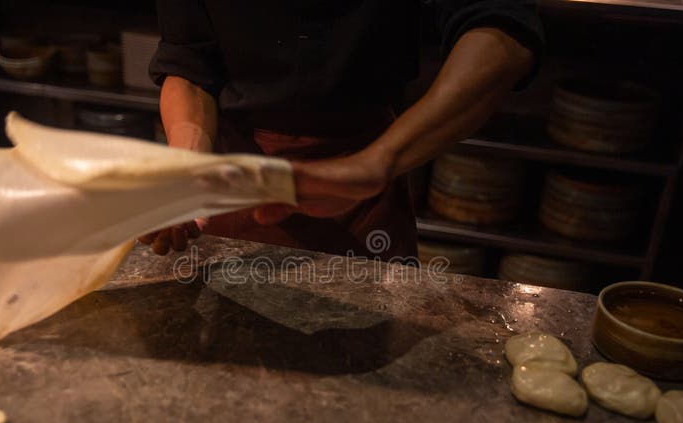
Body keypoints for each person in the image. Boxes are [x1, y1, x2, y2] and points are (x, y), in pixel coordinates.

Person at [141, 0, 542, 260]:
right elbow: (189, 63)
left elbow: (504, 34)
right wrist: (187, 164)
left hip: (363, 179)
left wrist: (375, 163)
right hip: (235, 182)